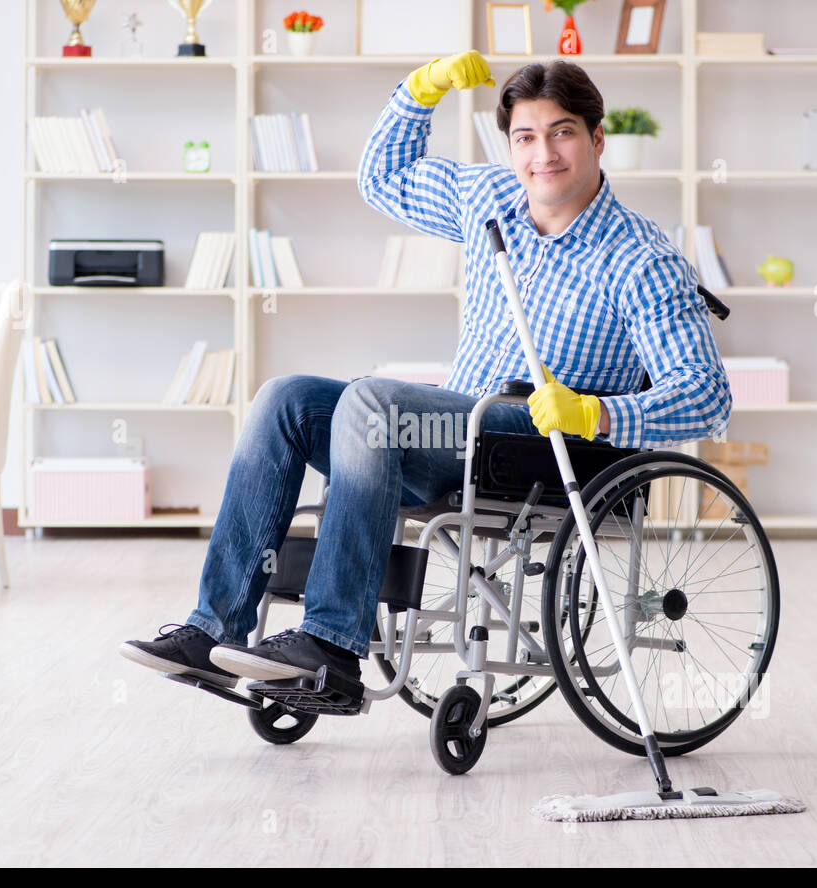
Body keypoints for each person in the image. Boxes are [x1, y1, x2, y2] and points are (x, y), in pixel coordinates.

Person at [120, 51, 731, 698]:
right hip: (451, 426)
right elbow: (381, 178)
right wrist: (420, 91)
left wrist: (596, 412)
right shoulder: (493, 197)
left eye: (562, 132)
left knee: (373, 403)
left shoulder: (642, 259)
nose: (542, 153)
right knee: (285, 400)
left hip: (541, 450)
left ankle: (330, 644)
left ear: (597, 138)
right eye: (525, 137)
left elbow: (705, 397)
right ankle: (216, 630)